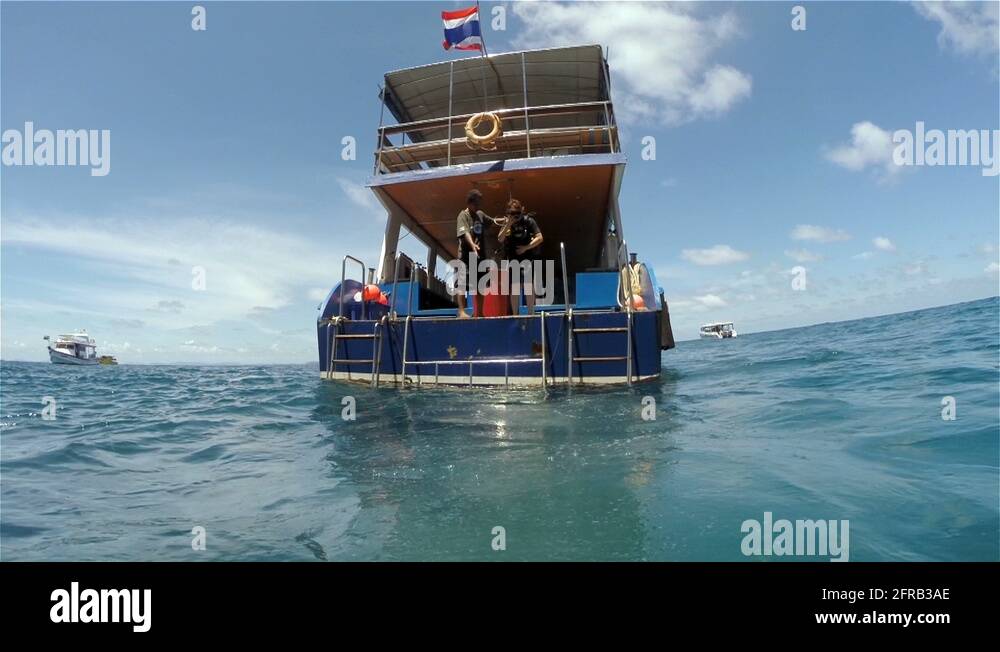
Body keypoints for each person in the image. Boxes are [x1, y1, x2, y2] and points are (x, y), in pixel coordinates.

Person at [497, 198, 543, 314]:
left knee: (528, 285)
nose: (515, 216)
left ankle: (531, 312)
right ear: (508, 213)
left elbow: (540, 237)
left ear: (521, 211)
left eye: (517, 213)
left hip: (526, 256)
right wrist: (508, 223)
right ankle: (515, 314)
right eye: (512, 213)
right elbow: (500, 238)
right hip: (513, 257)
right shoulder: (507, 223)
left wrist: (526, 248)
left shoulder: (528, 221)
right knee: (515, 286)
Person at [456, 188, 489, 318]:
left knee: (480, 285)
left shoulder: (480, 214)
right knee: (462, 283)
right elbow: (465, 233)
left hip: (480, 257)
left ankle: (479, 312)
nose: (478, 206)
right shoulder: (463, 215)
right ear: (469, 203)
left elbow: (492, 221)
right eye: (475, 204)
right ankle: (462, 311)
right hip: (465, 256)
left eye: (479, 203)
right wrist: (473, 246)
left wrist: (507, 219)